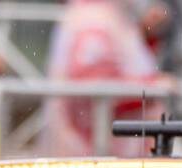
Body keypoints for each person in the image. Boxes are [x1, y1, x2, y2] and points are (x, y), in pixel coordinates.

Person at [44, 0, 168, 157]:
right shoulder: (94, 19)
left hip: (113, 153)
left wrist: (148, 35)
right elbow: (93, 87)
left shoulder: (109, 15)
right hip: (97, 156)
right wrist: (152, 87)